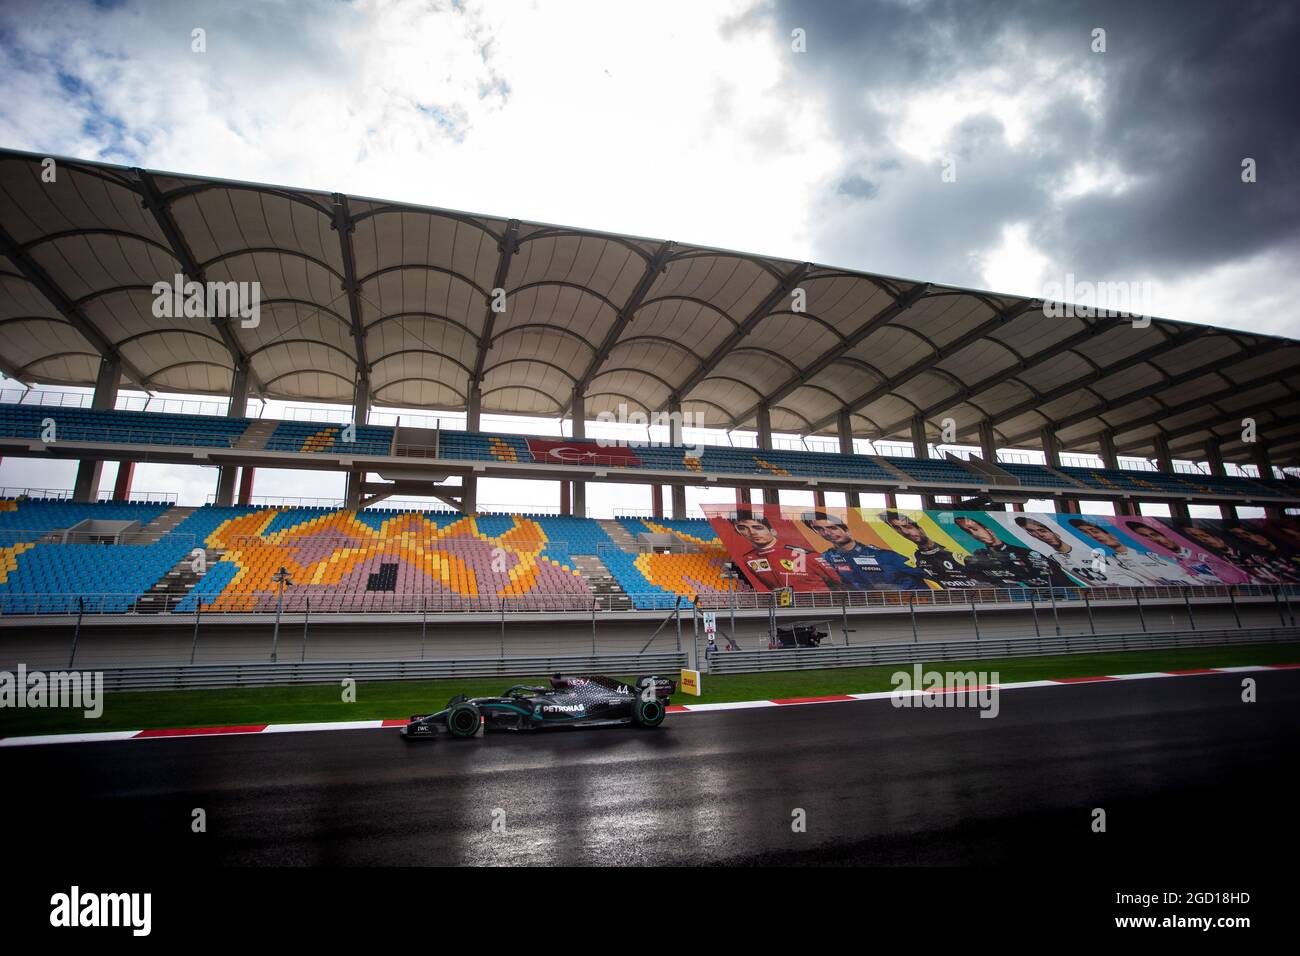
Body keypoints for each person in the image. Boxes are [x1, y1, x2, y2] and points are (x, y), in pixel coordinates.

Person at [802, 512, 932, 591]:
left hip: (901, 607)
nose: (827, 533)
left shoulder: (884, 556)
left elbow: (923, 577)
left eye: (832, 528)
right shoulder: (825, 559)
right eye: (820, 529)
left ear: (846, 530)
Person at [1012, 515, 1143, 587]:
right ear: (1032, 536)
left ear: (1055, 533)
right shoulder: (1053, 559)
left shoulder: (1093, 553)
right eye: (1033, 532)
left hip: (1135, 588)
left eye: (1042, 531)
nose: (1041, 535)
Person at [953, 514, 1076, 588]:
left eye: (974, 529)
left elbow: (1062, 580)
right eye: (969, 532)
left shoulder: (1026, 553)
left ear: (989, 530)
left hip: (1052, 597)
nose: (975, 534)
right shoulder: (978, 558)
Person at [730, 511, 840, 591]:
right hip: (779, 606)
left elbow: (838, 583)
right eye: (743, 528)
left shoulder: (807, 556)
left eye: (758, 528)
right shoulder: (747, 559)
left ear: (773, 531)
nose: (752, 532)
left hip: (816, 605)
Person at [1064, 517, 1192, 586]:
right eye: (1087, 533)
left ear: (1112, 535)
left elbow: (1186, 575)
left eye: (1095, 531)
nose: (1093, 535)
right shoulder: (1111, 562)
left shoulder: (1153, 556)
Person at [880, 511, 986, 588]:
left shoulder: (956, 550)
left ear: (920, 528)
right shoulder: (912, 560)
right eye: (899, 530)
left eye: (907, 527)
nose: (906, 533)